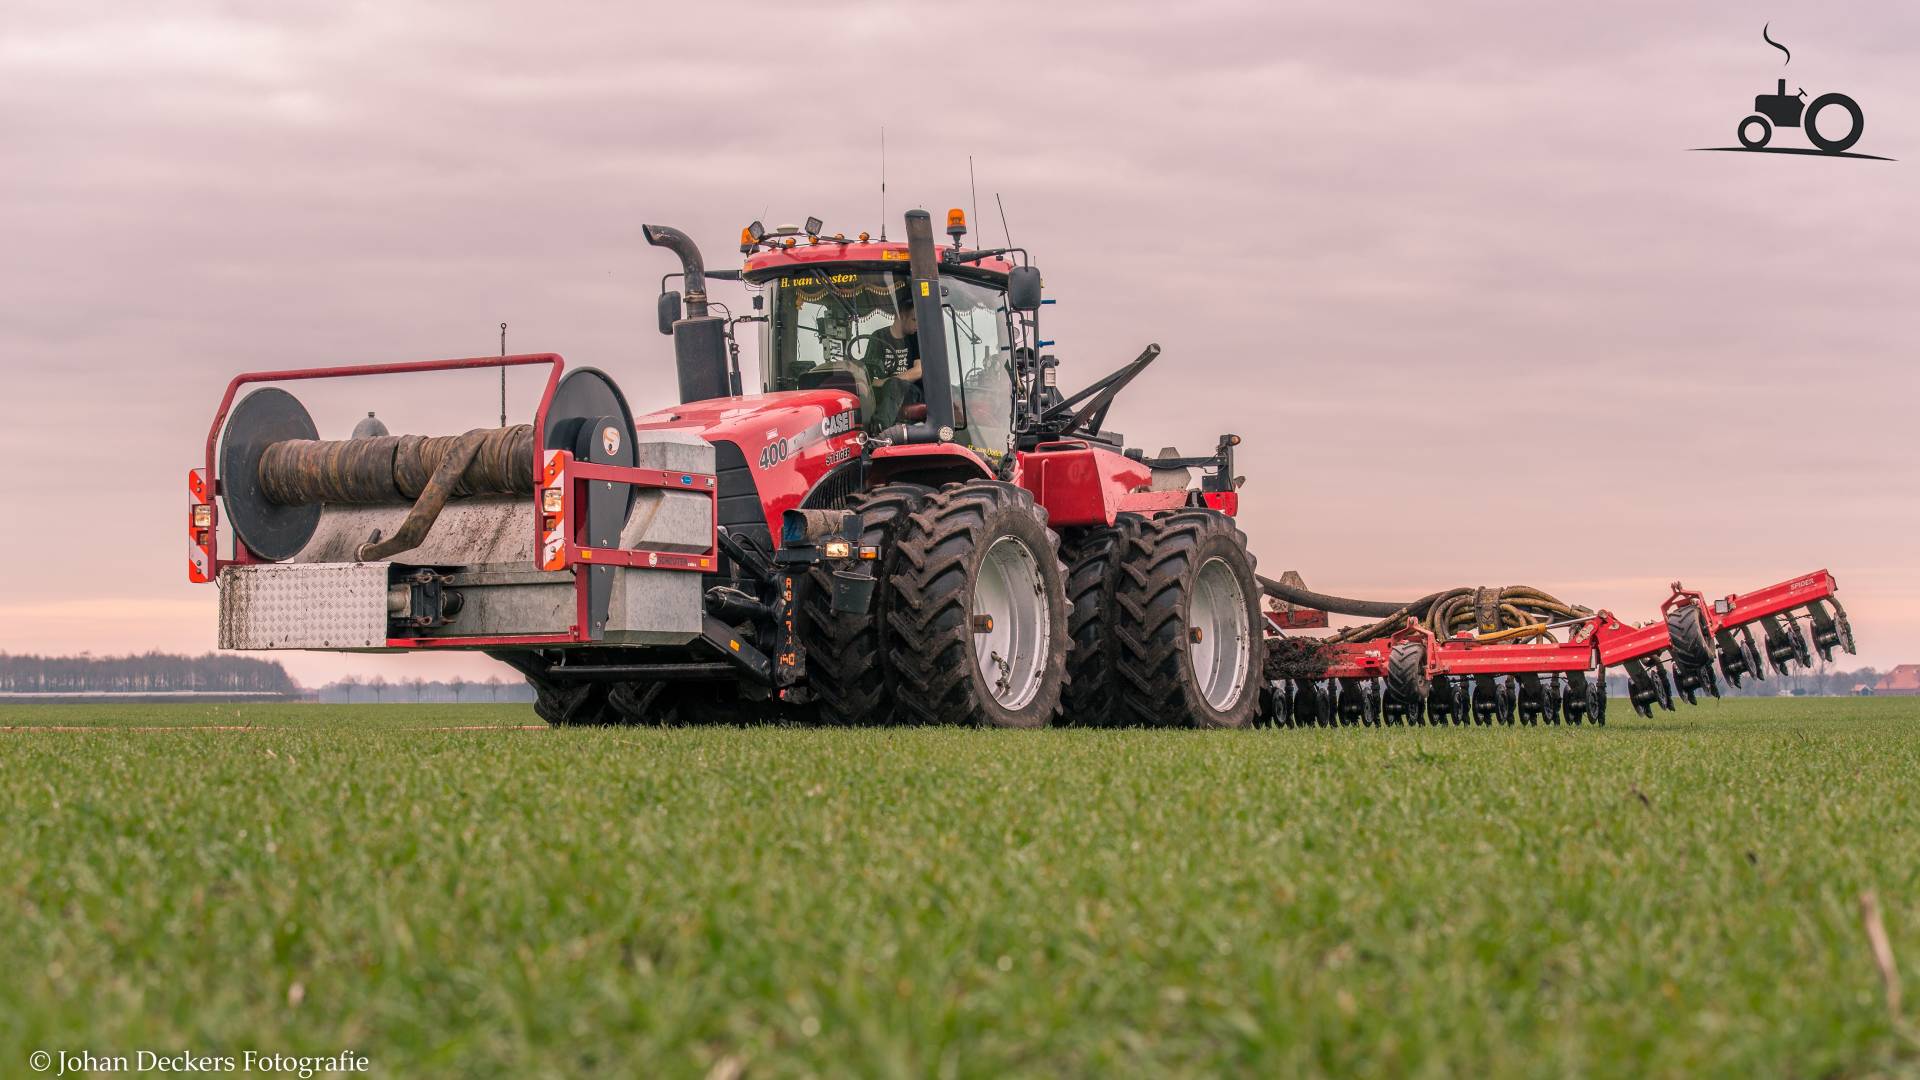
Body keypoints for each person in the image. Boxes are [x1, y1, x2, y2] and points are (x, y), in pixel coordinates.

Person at [859, 286, 924, 427]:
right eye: (914, 319)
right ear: (900, 316)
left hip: (910, 392)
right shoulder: (878, 337)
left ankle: (880, 431)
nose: (917, 325)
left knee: (893, 385)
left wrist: (885, 382)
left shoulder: (916, 338)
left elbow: (919, 371)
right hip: (885, 393)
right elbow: (869, 372)